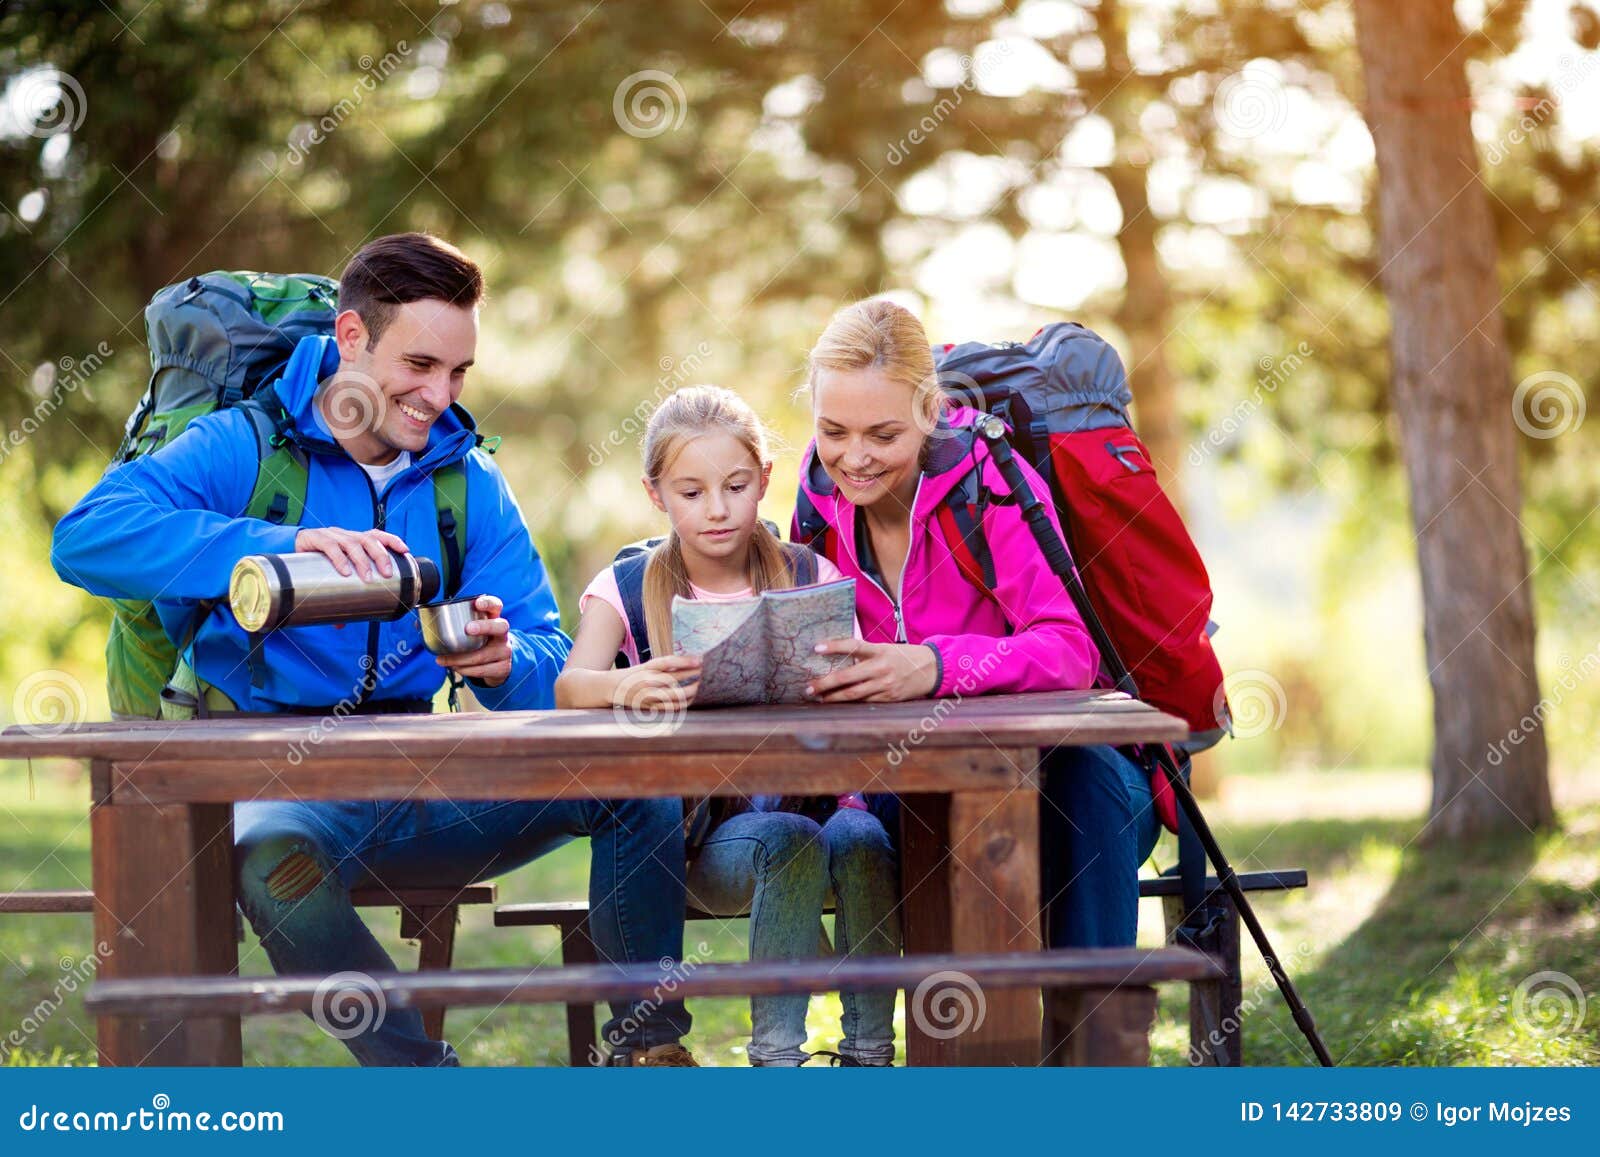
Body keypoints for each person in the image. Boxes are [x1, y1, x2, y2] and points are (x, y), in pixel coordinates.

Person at [51, 233, 694, 1067]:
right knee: (274, 861)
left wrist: (506, 665)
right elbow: (86, 538)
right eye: (420, 364)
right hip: (283, 787)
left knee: (635, 784)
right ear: (351, 337)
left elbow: (548, 654)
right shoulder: (246, 446)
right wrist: (273, 543)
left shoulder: (468, 480)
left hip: (424, 776)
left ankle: (651, 1056)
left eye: (459, 373)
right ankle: (422, 1083)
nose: (439, 396)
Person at [794, 298, 1162, 949]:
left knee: (1091, 779)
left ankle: (1100, 1040)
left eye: (883, 435)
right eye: (833, 431)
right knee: (915, 824)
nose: (854, 458)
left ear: (930, 411)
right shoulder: (817, 500)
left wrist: (934, 666)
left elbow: (1071, 647)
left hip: (1064, 781)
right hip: (914, 783)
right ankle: (970, 1041)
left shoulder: (988, 482)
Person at [555, 384, 900, 1066]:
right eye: (691, 491)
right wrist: (628, 682)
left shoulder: (810, 572)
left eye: (737, 485)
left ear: (765, 479)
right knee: (790, 839)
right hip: (696, 842)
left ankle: (870, 1050)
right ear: (656, 494)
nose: (717, 509)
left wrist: (836, 682)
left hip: (812, 801)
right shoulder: (624, 586)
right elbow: (569, 686)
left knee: (862, 833)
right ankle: (778, 1057)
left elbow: (862, 682)